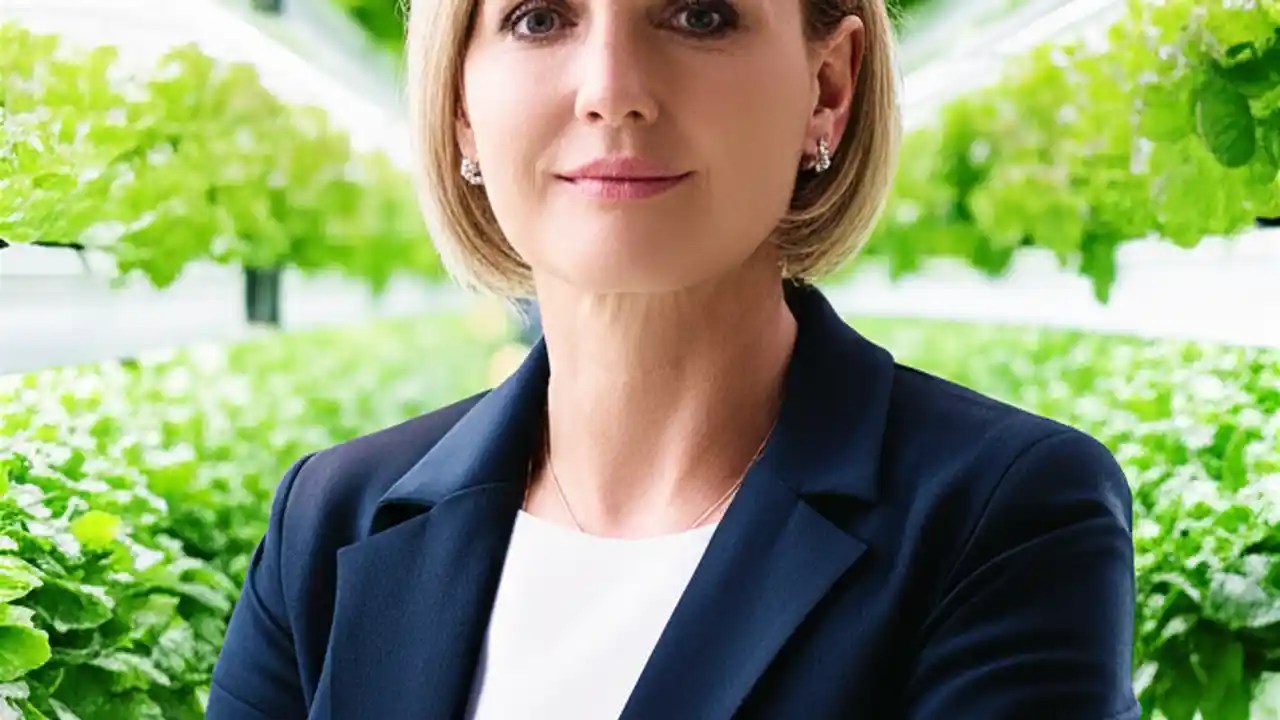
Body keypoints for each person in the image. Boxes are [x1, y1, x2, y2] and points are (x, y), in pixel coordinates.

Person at [207, 0, 1142, 716]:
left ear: (829, 88)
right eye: (539, 17)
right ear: (459, 102)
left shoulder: (1006, 518)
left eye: (699, 13)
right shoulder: (326, 525)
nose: (612, 87)